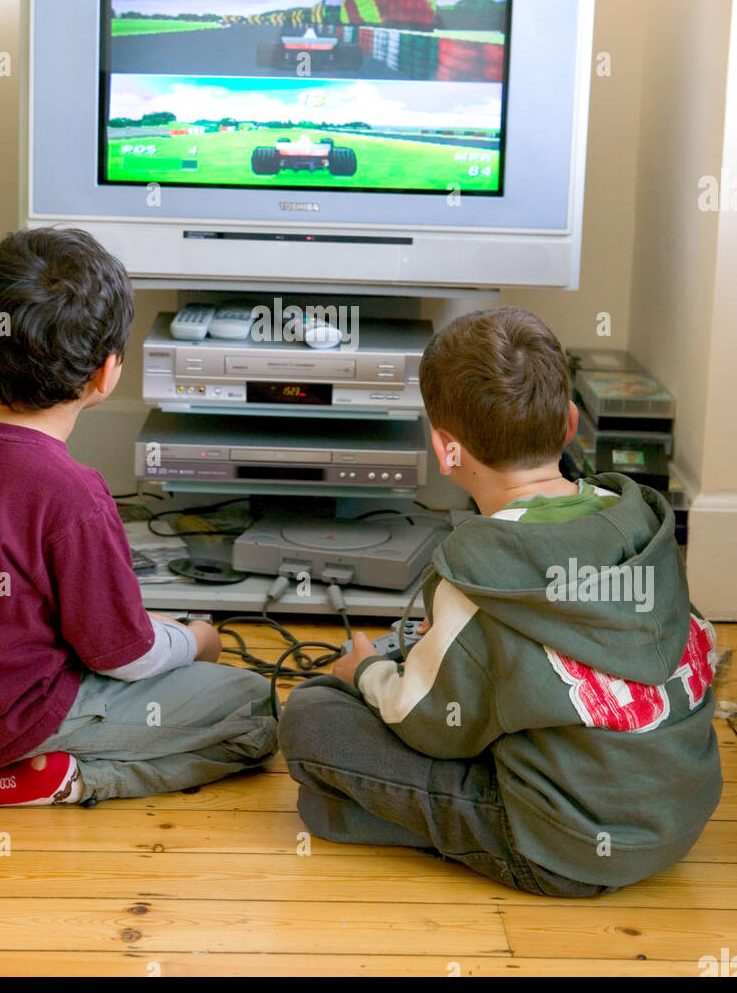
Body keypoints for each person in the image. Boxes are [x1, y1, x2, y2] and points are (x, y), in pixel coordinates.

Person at [279, 307, 722, 896]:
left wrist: (365, 672)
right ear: (569, 422)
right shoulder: (640, 523)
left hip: (565, 848)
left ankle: (360, 814)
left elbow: (429, 726)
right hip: (682, 812)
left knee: (313, 717)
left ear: (445, 450)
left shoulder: (476, 579)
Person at [0, 227, 276, 807]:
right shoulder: (73, 494)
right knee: (255, 709)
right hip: (18, 719)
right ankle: (57, 777)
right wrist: (197, 640)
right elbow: (124, 658)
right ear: (106, 373)